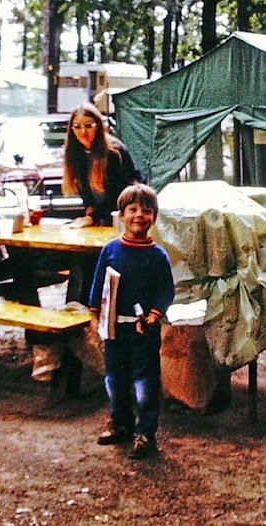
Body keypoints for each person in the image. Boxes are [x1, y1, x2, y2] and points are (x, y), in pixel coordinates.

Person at [89, 184, 175, 459]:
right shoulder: (110, 250)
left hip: (143, 331)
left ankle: (145, 433)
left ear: (154, 217)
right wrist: (94, 318)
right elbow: (98, 285)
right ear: (121, 215)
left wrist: (153, 315)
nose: (139, 215)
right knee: (115, 378)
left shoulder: (157, 255)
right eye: (133, 210)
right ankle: (120, 423)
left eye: (146, 211)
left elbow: (166, 291)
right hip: (114, 329)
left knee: (144, 382)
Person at [62, 105, 142, 228]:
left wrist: (92, 217)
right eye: (77, 127)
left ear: (98, 126)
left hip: (123, 213)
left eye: (88, 126)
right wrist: (90, 209)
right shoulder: (76, 151)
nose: (83, 132)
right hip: (99, 216)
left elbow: (118, 193)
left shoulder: (113, 152)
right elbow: (84, 189)